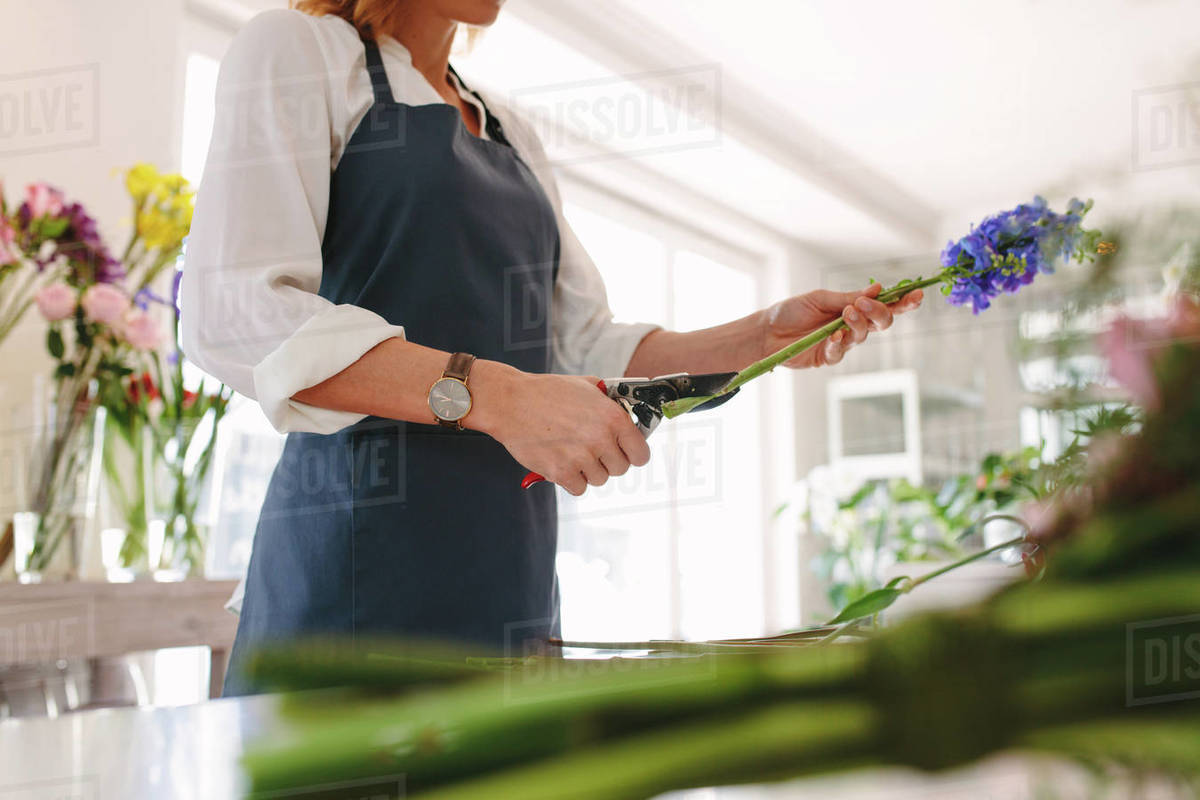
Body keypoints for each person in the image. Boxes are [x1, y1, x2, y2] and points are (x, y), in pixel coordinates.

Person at [180, 0, 923, 695]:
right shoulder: (300, 51)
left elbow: (579, 342)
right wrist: (499, 396)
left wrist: (759, 336)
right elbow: (238, 312)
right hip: (351, 561)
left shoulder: (510, 131)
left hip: (511, 570)